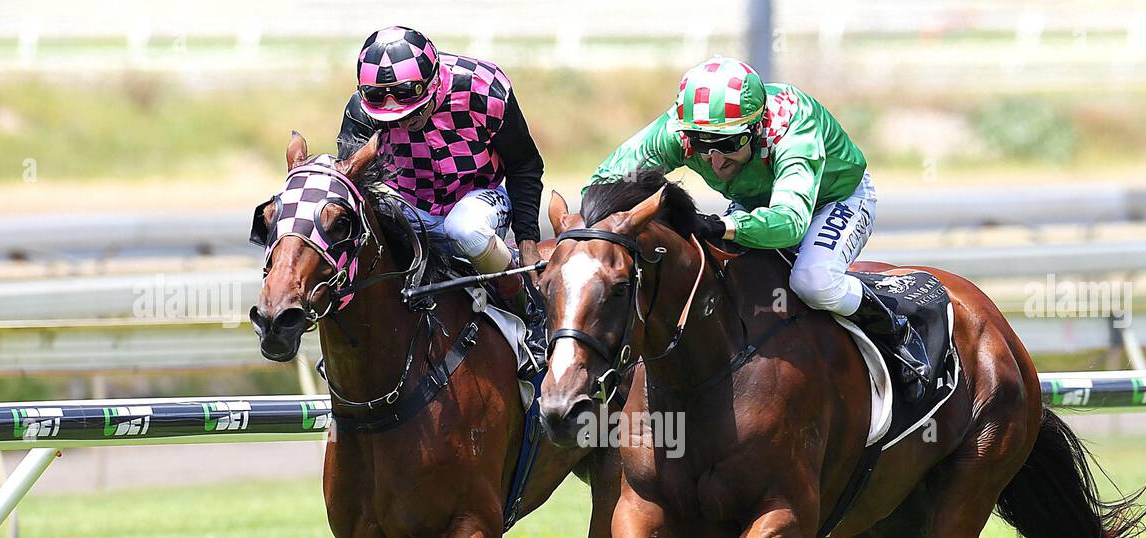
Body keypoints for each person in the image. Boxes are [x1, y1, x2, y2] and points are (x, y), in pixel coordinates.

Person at [588, 56, 931, 400]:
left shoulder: (792, 127)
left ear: (756, 128)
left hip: (834, 200)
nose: (714, 159)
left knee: (813, 282)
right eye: (700, 142)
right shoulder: (677, 131)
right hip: (756, 203)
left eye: (727, 144)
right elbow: (602, 184)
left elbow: (791, 223)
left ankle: (896, 326)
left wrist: (722, 223)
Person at [336, 26, 544, 319]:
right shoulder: (363, 111)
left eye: (412, 113)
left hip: (480, 197)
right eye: (394, 118)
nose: (404, 123)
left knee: (464, 227)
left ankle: (527, 307)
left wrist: (528, 240)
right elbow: (346, 185)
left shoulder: (484, 88)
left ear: (433, 84)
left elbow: (524, 164)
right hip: (409, 206)